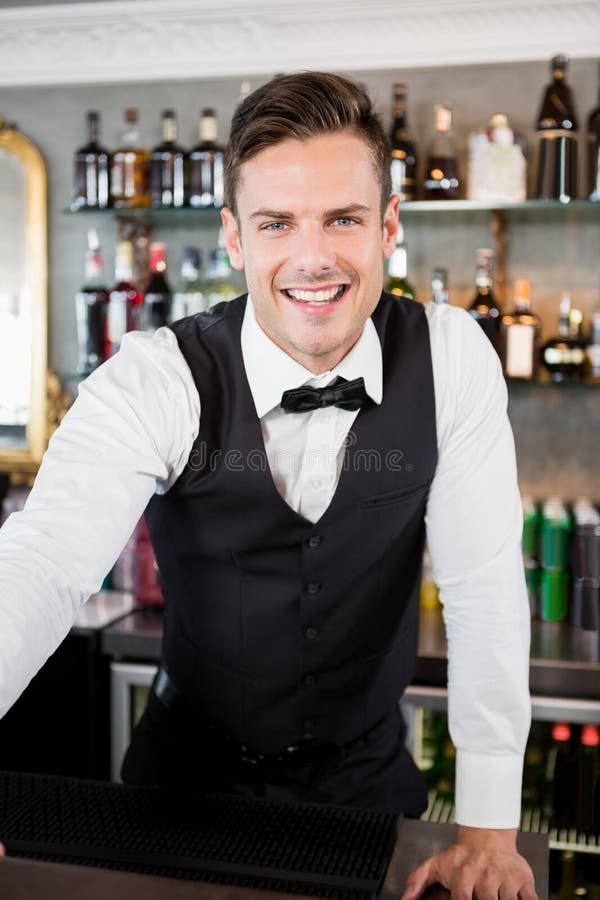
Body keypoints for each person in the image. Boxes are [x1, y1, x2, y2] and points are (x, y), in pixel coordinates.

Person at [0, 72, 537, 898]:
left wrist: (490, 830)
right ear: (235, 239)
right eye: (278, 222)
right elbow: (37, 567)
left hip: (369, 798)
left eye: (344, 220)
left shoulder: (453, 356)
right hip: (178, 797)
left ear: (389, 227)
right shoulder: (158, 377)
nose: (314, 258)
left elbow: (483, 592)